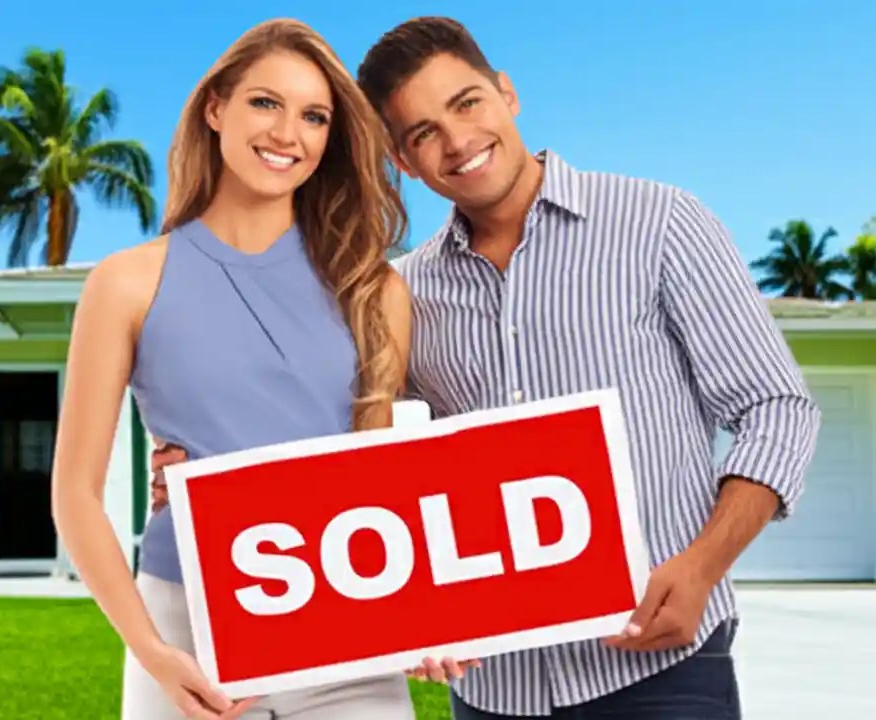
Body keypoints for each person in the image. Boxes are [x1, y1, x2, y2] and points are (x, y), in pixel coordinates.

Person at [152, 14, 822, 720]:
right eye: (422, 134)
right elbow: (334, 444)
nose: (458, 141)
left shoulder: (660, 224)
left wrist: (702, 566)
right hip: (492, 691)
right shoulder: (404, 295)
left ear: (507, 93)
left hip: (663, 666)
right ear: (403, 164)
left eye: (467, 103)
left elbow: (776, 408)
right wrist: (198, 466)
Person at [51, 17, 468, 720]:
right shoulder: (126, 285)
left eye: (313, 116)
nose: (287, 134)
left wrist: (425, 608)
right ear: (215, 108)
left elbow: (382, 476)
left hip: (349, 633)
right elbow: (74, 494)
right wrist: (154, 652)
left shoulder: (375, 291)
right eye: (264, 103)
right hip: (186, 631)